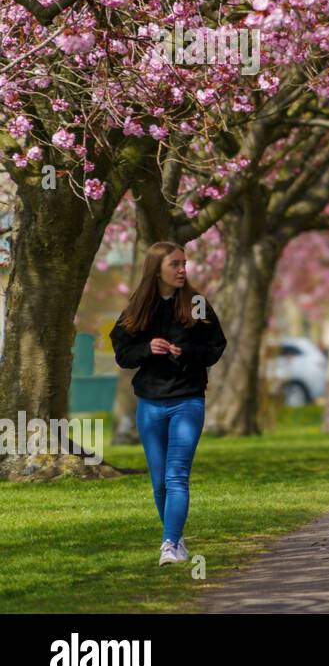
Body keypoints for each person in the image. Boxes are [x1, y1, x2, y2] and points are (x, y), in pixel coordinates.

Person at [111, 241, 226, 567]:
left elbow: (217, 346)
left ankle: (169, 544)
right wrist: (148, 349)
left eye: (183, 264)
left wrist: (186, 352)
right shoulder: (137, 307)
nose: (181, 270)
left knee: (177, 476)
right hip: (149, 403)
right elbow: (123, 355)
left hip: (187, 400)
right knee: (159, 480)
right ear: (156, 268)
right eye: (174, 264)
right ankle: (175, 537)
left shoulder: (197, 304)